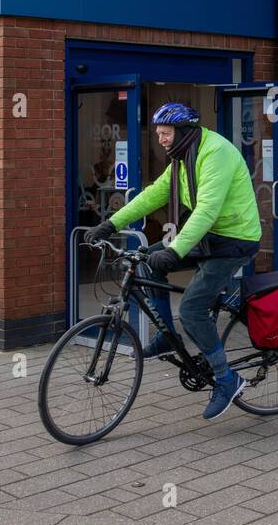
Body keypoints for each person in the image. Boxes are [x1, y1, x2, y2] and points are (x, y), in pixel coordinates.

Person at [85, 102, 261, 420]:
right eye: (159, 134)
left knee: (192, 309)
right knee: (149, 260)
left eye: (166, 133)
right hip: (207, 237)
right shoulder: (183, 158)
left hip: (234, 240)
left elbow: (207, 209)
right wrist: (110, 224)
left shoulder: (214, 153)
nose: (161, 139)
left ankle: (226, 379)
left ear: (183, 132)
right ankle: (168, 335)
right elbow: (154, 194)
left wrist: (176, 249)